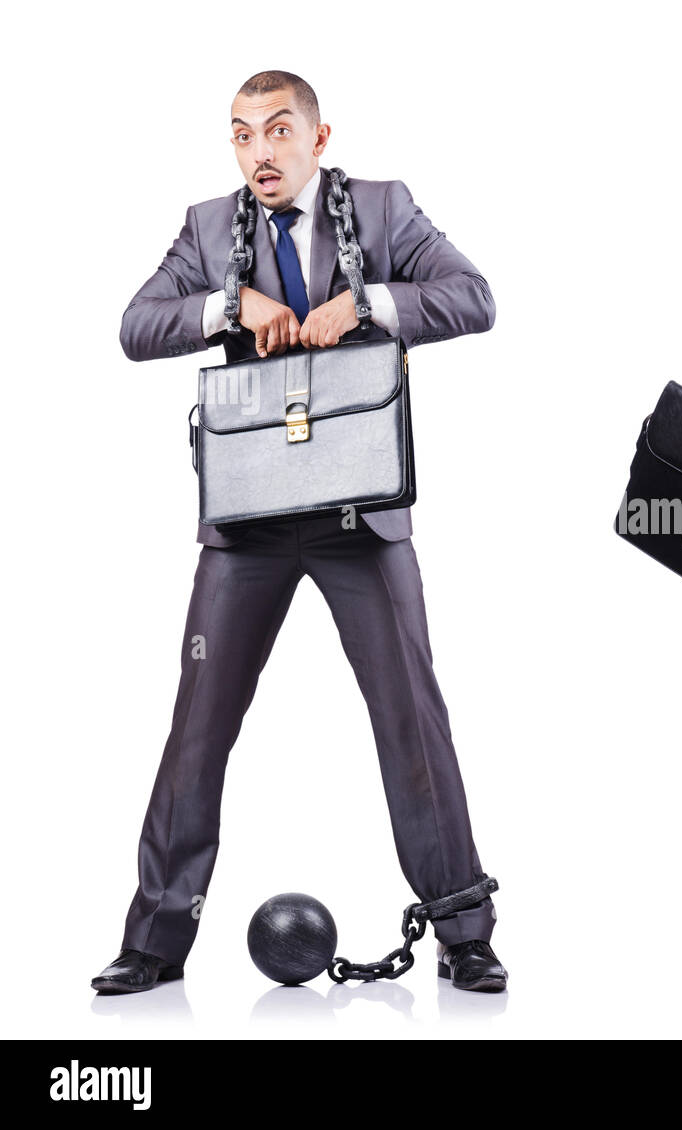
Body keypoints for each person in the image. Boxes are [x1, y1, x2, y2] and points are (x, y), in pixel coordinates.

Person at [92, 70, 507, 994]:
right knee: (196, 728)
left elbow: (475, 297)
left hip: (360, 515)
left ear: (320, 140)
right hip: (247, 522)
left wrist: (367, 304)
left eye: (278, 132)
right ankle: (156, 939)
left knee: (411, 720)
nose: (259, 153)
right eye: (241, 136)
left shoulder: (385, 210)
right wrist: (227, 307)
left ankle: (462, 929)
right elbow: (134, 326)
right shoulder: (208, 228)